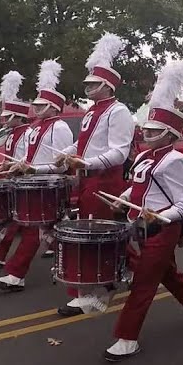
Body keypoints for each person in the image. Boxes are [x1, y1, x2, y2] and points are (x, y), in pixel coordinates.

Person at [101, 60, 183, 361]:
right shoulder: (145, 157)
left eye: (154, 129)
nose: (146, 133)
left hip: (163, 230)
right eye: (147, 128)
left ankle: (127, 338)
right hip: (141, 227)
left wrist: (160, 216)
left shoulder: (175, 160)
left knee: (143, 283)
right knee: (165, 273)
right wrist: (122, 198)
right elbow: (137, 186)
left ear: (170, 134)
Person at [57, 33, 135, 317]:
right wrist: (65, 153)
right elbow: (82, 144)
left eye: (93, 84)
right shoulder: (92, 112)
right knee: (101, 237)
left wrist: (85, 163)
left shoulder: (119, 111)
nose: (88, 87)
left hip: (107, 182)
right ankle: (95, 287)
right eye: (87, 83)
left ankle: (92, 290)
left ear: (107, 85)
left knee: (97, 236)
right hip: (90, 180)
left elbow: (119, 152)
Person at [0, 60, 75, 291]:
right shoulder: (36, 127)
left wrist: (34, 170)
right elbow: (29, 157)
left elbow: (61, 165)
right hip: (33, 184)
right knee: (48, 229)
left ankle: (16, 274)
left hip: (48, 185)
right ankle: (114, 261)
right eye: (36, 105)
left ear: (55, 107)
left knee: (33, 230)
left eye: (42, 105)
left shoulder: (60, 128)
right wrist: (17, 167)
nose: (36, 108)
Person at [0, 71, 37, 268]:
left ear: (18, 117)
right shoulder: (12, 134)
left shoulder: (27, 132)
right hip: (14, 180)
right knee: (11, 220)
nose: (3, 120)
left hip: (23, 181)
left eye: (7, 117)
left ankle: (2, 257)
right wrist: (4, 166)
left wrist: (15, 167)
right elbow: (11, 157)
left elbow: (27, 158)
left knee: (21, 222)